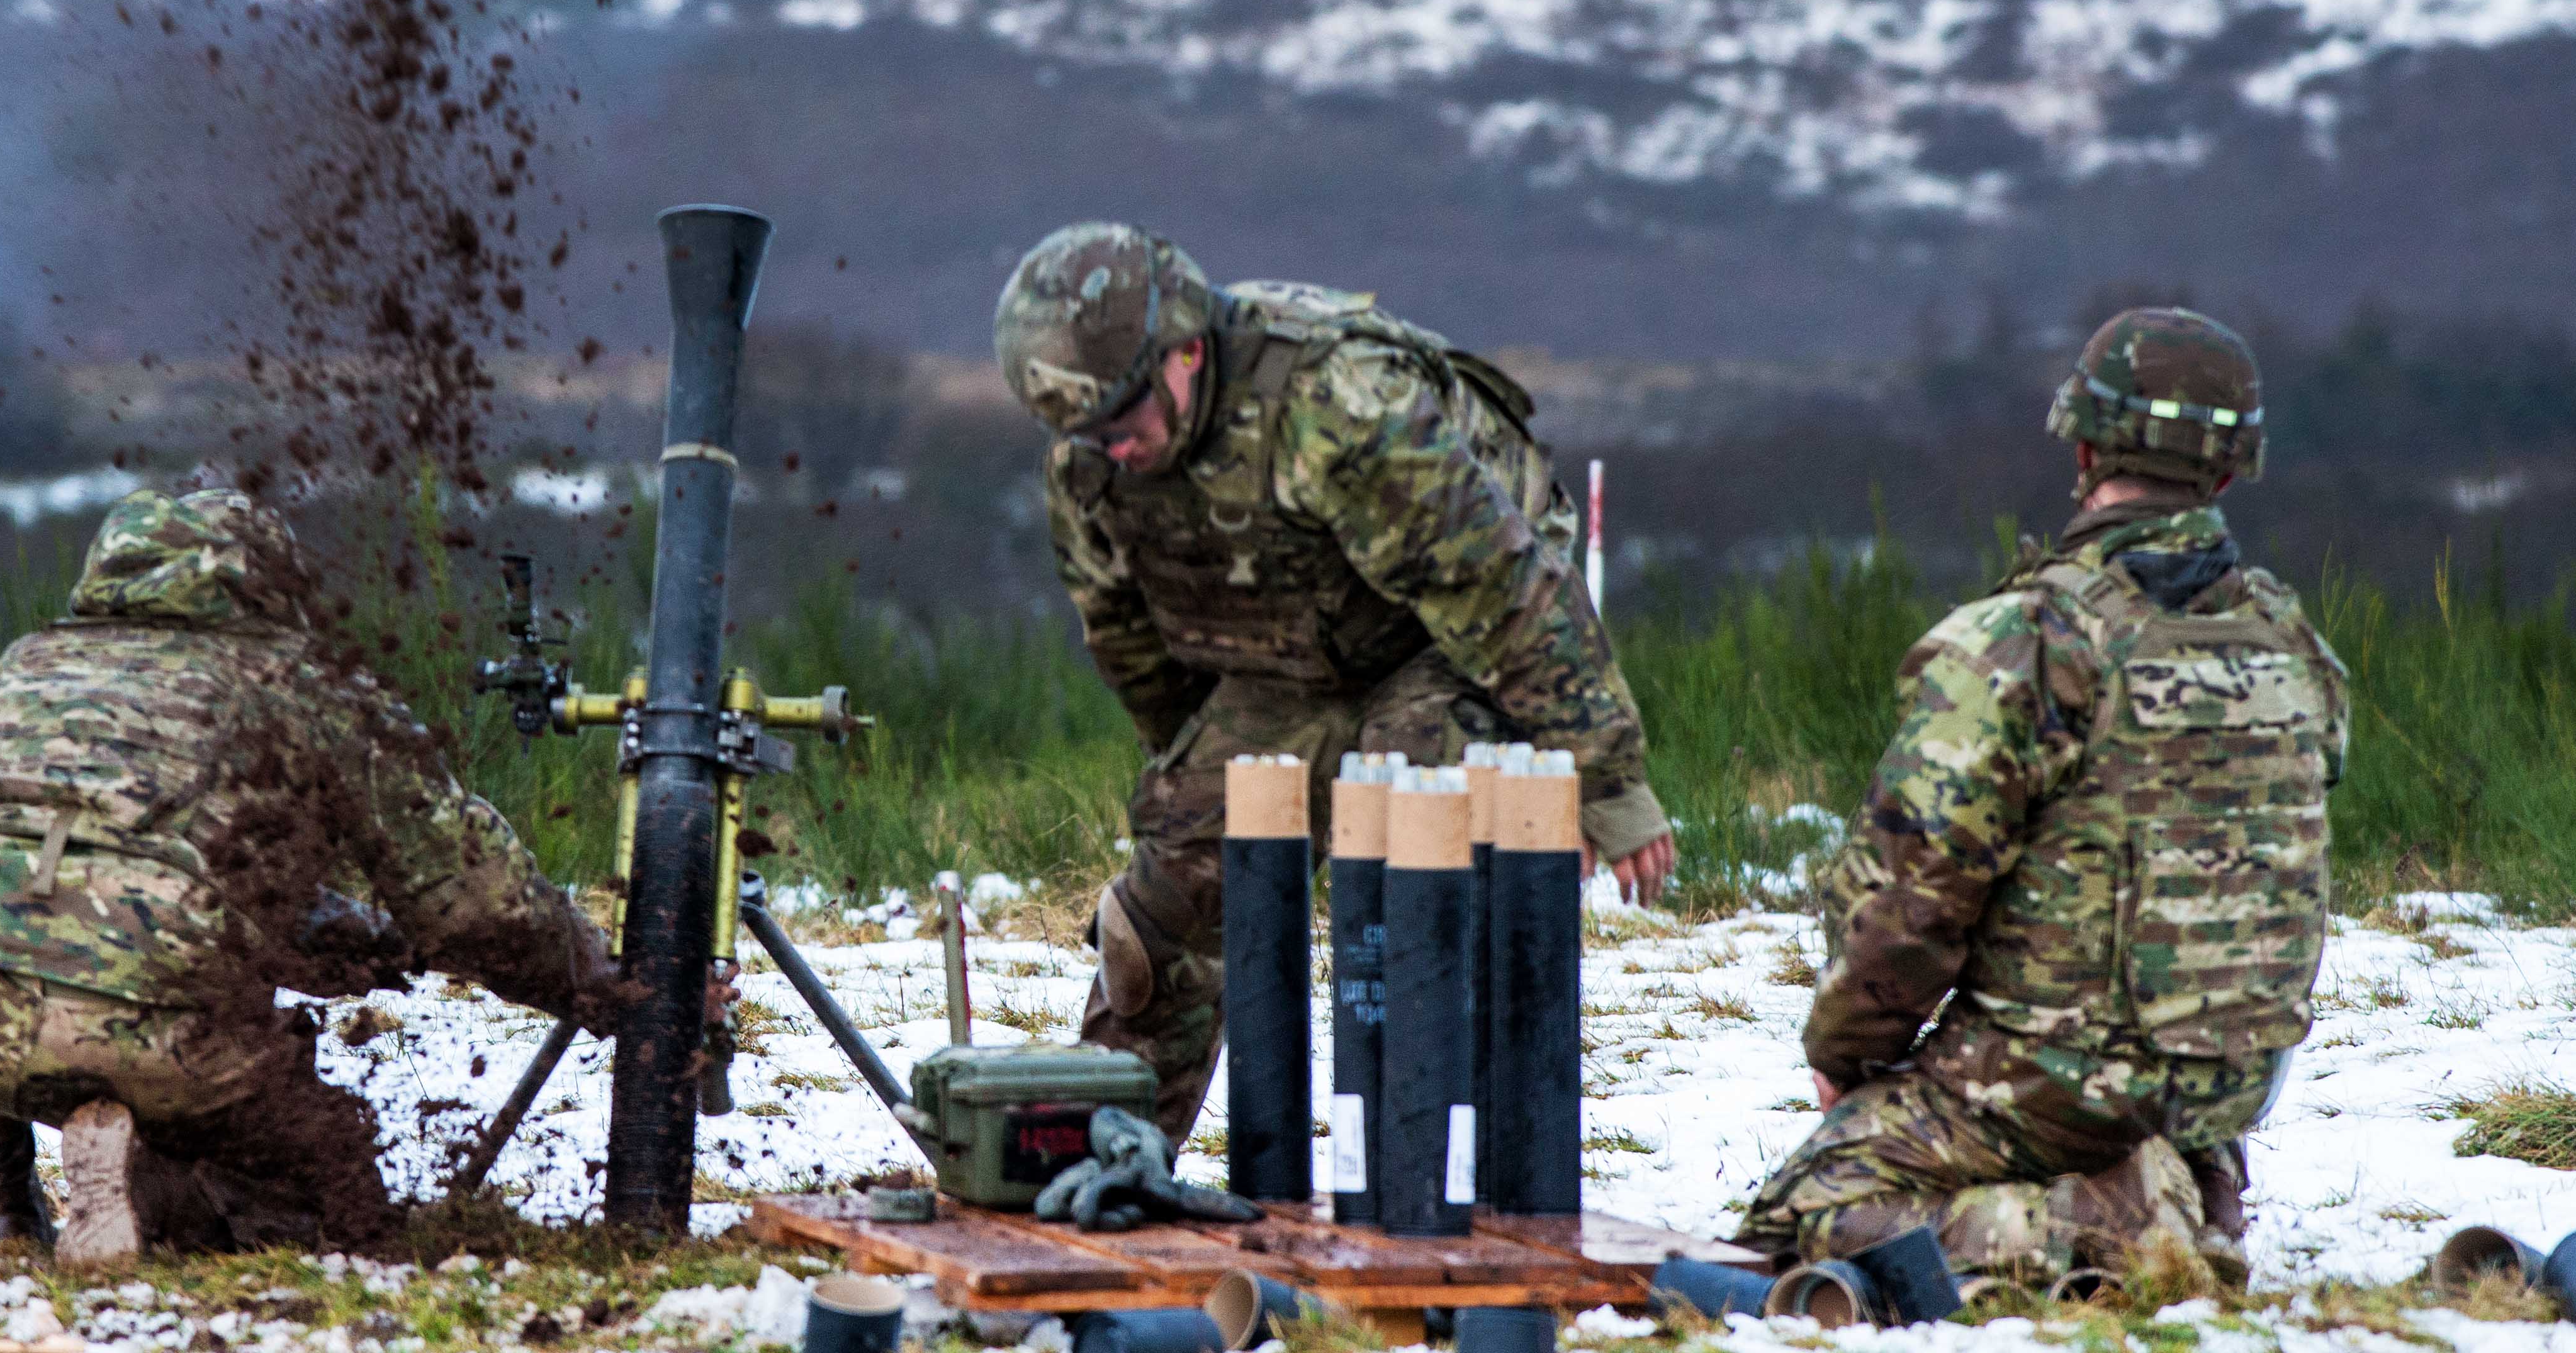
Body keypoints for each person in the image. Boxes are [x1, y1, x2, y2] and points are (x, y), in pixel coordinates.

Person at [993, 222, 1673, 1138]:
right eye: (1085, 431)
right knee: (1176, 890)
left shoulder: (1334, 403)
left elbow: (1496, 586)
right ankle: (1111, 1161)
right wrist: (1207, 779)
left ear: (1186, 353)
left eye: (1123, 418)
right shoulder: (1091, 464)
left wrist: (1609, 777)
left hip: (1449, 632)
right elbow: (1130, 640)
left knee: (1411, 819)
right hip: (1299, 649)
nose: (1111, 447)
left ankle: (1447, 1172)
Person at [1739, 307, 2348, 1291]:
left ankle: (2108, 1225)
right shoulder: (2293, 647)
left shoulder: (2027, 645)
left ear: (2085, 447)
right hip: (2230, 1084)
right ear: (2230, 474)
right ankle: (2196, 1186)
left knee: (1815, 1207)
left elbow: (1908, 900)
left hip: (2056, 1081)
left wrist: (1852, 1059)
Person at [0, 486, 625, 1264]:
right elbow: (475, 902)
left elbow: (112, 876)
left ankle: (8, 1223)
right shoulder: (303, 688)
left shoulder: (25, 670)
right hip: (158, 1030)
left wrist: (339, 937)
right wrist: (598, 982)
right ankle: (157, 1191)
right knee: (316, 1210)